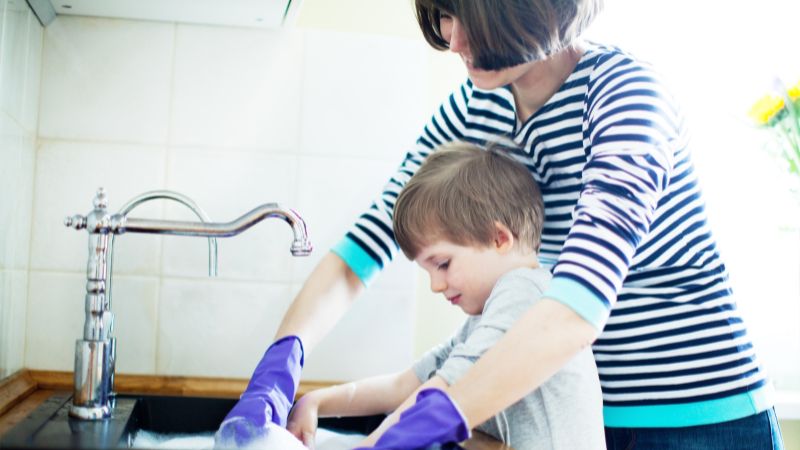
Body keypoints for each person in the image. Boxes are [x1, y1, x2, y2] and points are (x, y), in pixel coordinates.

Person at [216, 1, 785, 449]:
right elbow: (366, 245)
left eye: (471, 17)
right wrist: (279, 366)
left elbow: (578, 303)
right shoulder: (472, 109)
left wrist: (444, 413)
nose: (452, 37)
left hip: (702, 417)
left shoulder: (625, 96)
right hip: (581, 419)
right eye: (445, 12)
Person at [285, 143, 605, 449]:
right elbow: (406, 385)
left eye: (443, 264)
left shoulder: (525, 292)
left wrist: (372, 445)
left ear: (499, 239)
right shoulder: (483, 320)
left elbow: (445, 390)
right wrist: (317, 401)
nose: (435, 285)